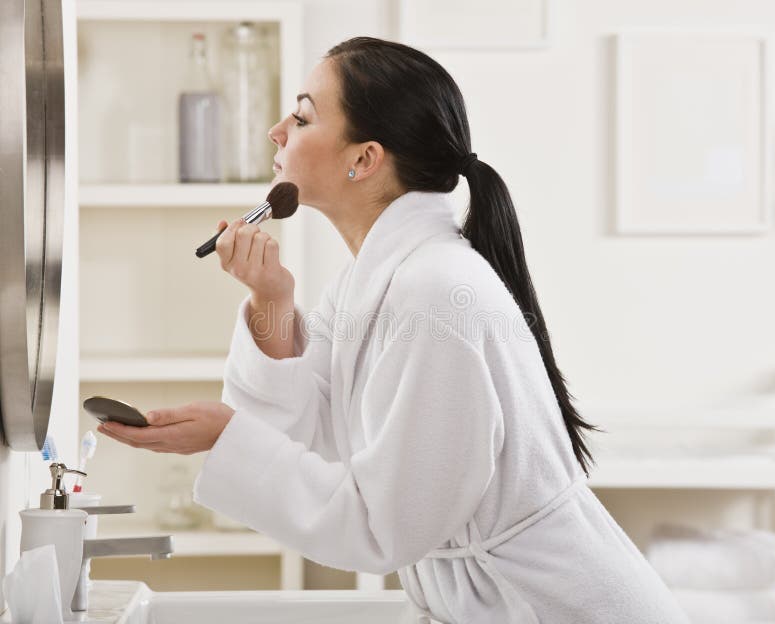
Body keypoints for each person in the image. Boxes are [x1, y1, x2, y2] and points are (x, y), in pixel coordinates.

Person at [97, 36, 690, 623]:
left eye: (302, 117)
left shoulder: (434, 291)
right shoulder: (378, 279)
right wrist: (270, 296)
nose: (277, 131)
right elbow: (308, 435)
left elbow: (380, 526)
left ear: (364, 159)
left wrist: (227, 435)